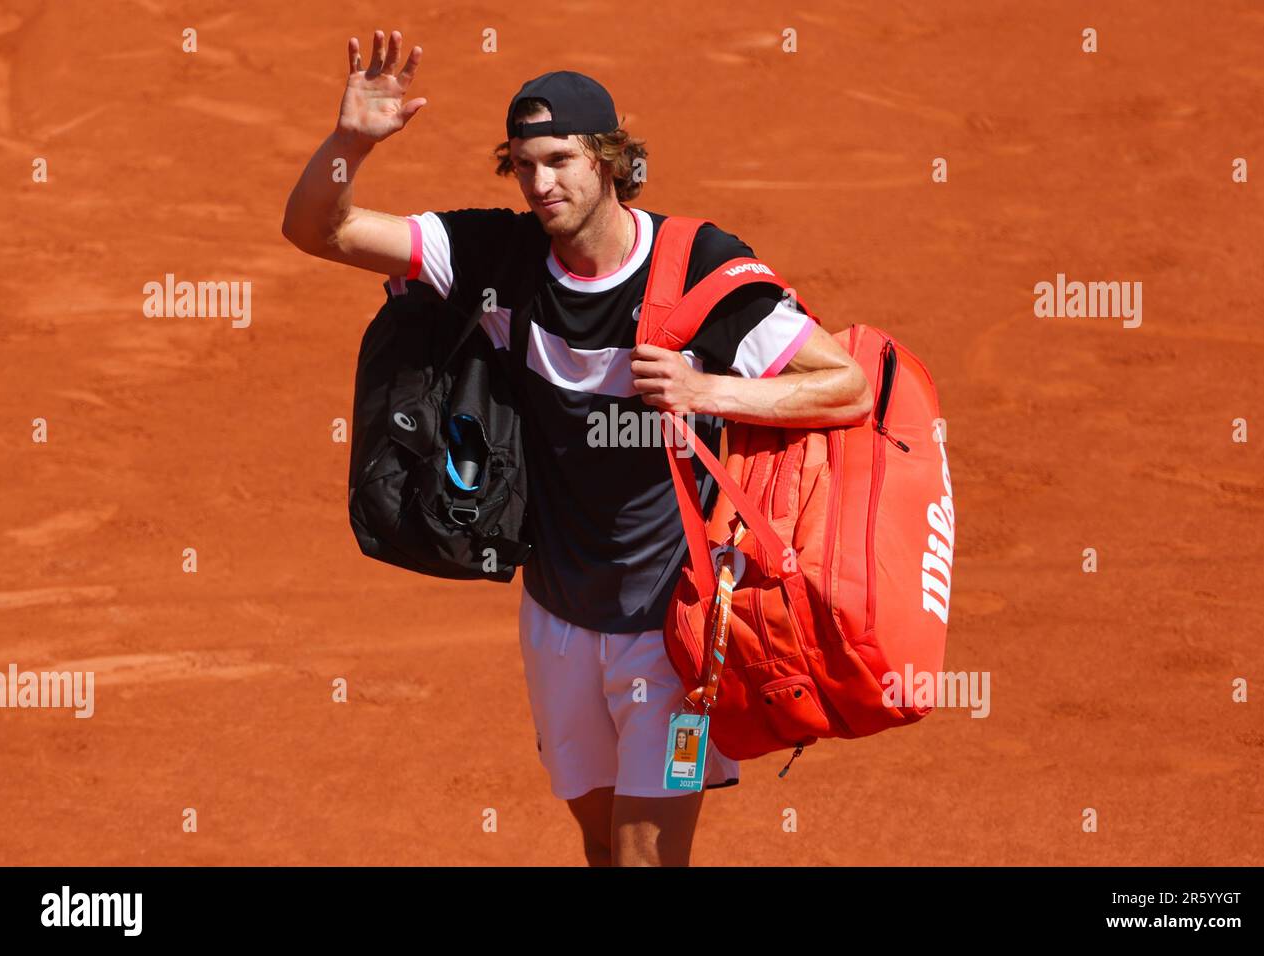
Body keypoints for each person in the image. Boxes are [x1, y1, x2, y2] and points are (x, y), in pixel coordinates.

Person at [282, 30, 872, 867]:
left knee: (643, 859)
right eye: (524, 163)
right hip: (556, 617)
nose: (539, 182)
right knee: (600, 847)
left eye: (559, 159)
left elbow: (846, 384)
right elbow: (319, 230)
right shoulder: (498, 255)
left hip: (673, 627)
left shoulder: (699, 268)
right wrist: (349, 145)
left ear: (608, 158)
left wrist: (713, 390)